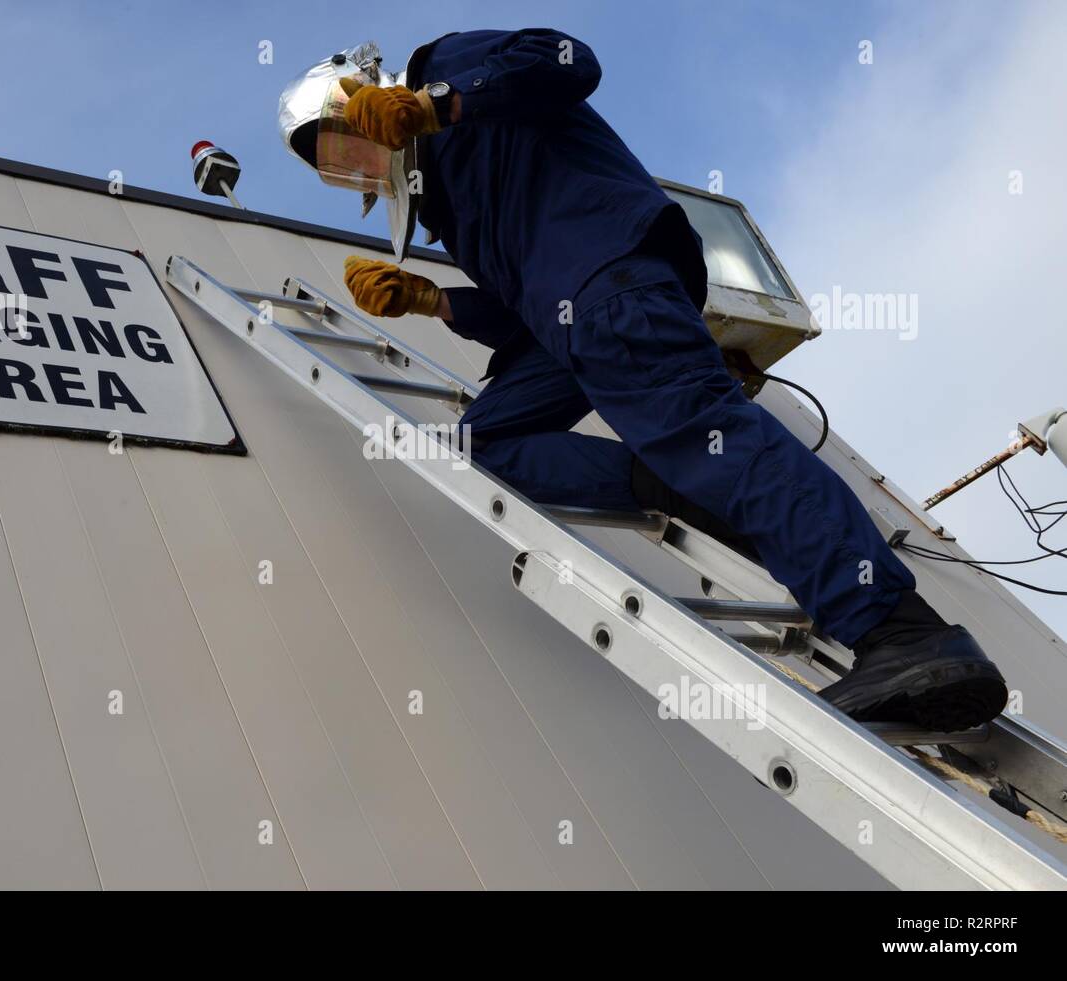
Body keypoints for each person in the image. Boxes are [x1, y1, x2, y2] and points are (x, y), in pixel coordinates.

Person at [278, 31, 1008, 732]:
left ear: (363, 98)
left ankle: (899, 630)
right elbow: (526, 310)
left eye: (344, 143)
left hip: (612, 281)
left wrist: (440, 100)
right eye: (340, 169)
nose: (358, 165)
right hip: (571, 323)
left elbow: (568, 60)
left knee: (711, 436)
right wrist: (431, 301)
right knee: (483, 444)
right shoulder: (456, 206)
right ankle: (671, 481)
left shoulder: (446, 64)